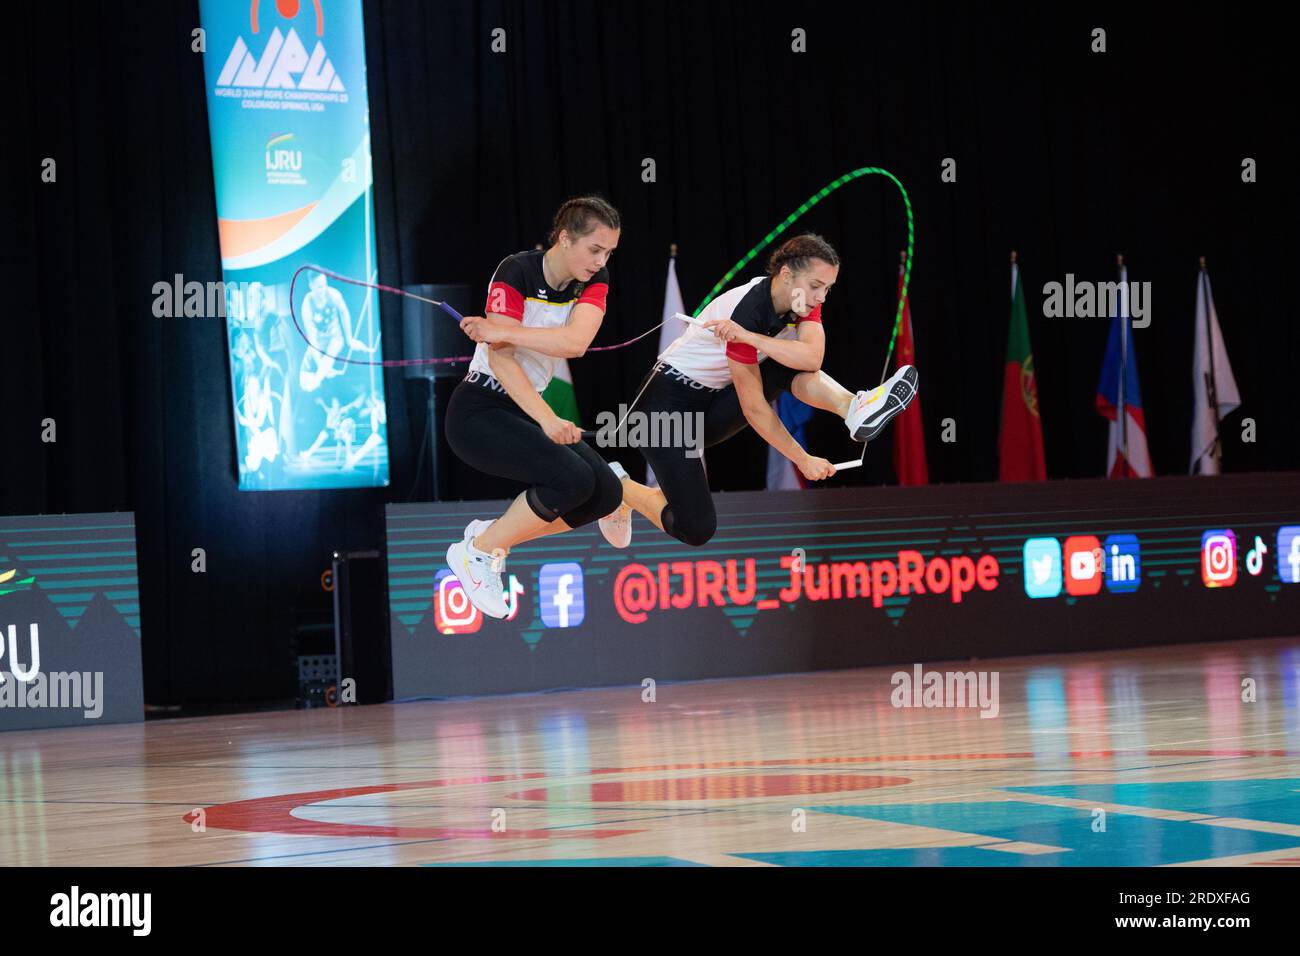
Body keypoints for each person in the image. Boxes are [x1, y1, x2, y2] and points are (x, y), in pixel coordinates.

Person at [597, 233, 919, 549]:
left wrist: (753, 339)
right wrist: (802, 458)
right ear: (786, 274)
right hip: (661, 415)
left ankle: (855, 406)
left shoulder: (802, 305)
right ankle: (620, 487)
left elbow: (812, 358)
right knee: (696, 527)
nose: (821, 297)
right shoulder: (747, 310)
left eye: (828, 289)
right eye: (816, 286)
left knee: (787, 359)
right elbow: (753, 410)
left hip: (707, 409)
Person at [444, 196, 625, 619]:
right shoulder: (516, 271)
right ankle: (478, 553)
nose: (600, 261)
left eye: (609, 253)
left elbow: (574, 343)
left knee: (606, 494)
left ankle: (488, 538)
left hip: (527, 407)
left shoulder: (594, 281)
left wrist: (504, 331)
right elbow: (502, 361)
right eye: (594, 249)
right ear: (565, 239)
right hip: (479, 410)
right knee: (574, 479)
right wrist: (546, 419)